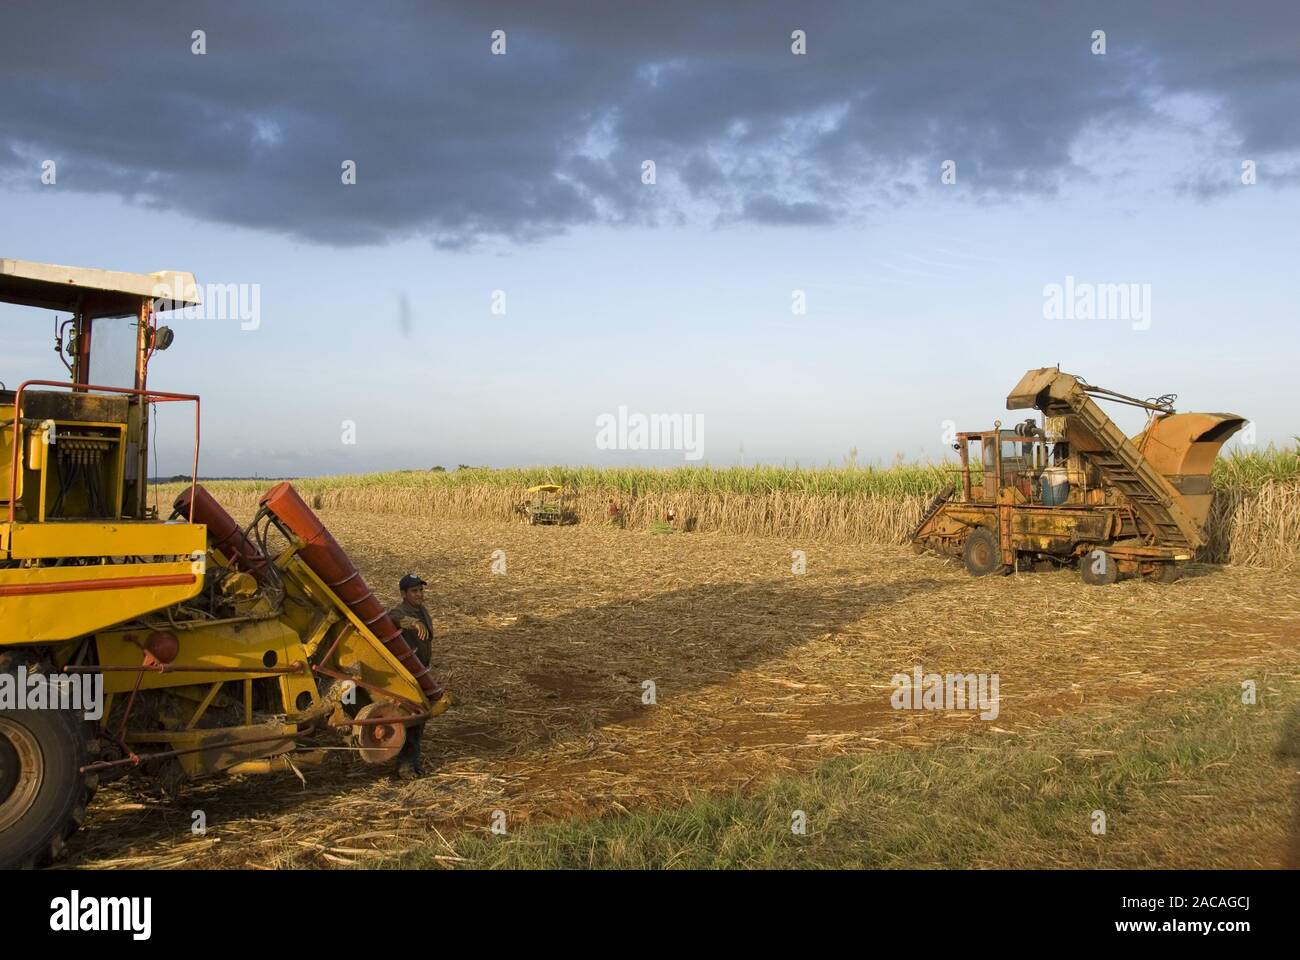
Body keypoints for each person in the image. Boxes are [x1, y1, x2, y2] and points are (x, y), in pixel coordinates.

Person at [387, 573, 435, 779]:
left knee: (420, 721)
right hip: (407, 677)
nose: (419, 594)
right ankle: (404, 766)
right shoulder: (402, 612)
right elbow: (392, 618)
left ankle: (413, 763)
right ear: (403, 594)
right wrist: (412, 622)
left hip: (421, 671)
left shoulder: (422, 611)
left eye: (421, 590)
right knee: (411, 719)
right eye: (414, 591)